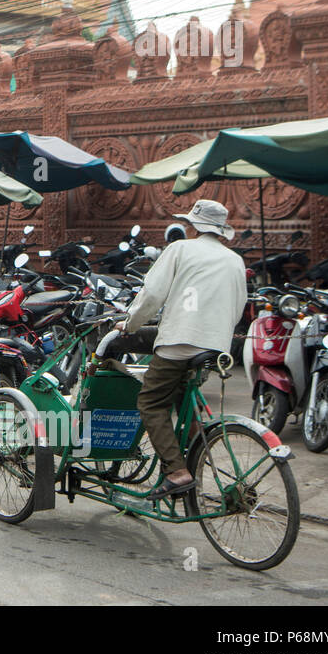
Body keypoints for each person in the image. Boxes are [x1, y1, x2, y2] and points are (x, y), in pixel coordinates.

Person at [117, 199, 248, 499]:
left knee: (150, 402)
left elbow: (152, 295)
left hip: (179, 342)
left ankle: (177, 472)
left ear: (192, 226)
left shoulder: (179, 249)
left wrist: (130, 324)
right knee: (181, 395)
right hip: (216, 347)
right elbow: (238, 307)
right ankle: (195, 450)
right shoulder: (234, 260)